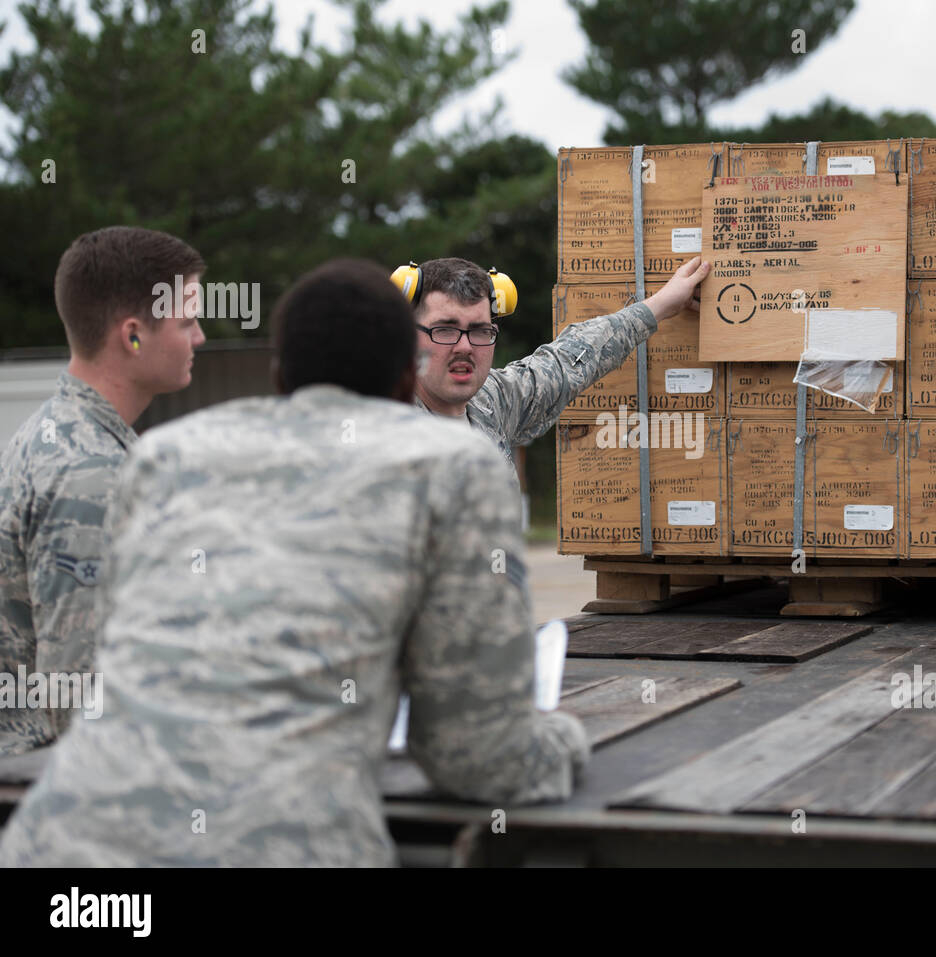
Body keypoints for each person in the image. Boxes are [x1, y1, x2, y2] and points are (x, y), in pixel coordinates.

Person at [0, 259, 588, 867]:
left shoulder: (165, 457)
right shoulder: (455, 466)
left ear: (280, 376)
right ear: (399, 380)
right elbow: (478, 756)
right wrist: (566, 738)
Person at [0, 226, 206, 755]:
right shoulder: (90, 470)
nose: (200, 337)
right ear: (133, 335)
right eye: (186, 322)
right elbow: (81, 700)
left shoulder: (58, 433)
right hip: (57, 787)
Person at [399, 255, 709, 468]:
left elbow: (568, 361)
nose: (464, 346)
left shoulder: (492, 402)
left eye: (480, 331)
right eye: (446, 329)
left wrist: (662, 304)